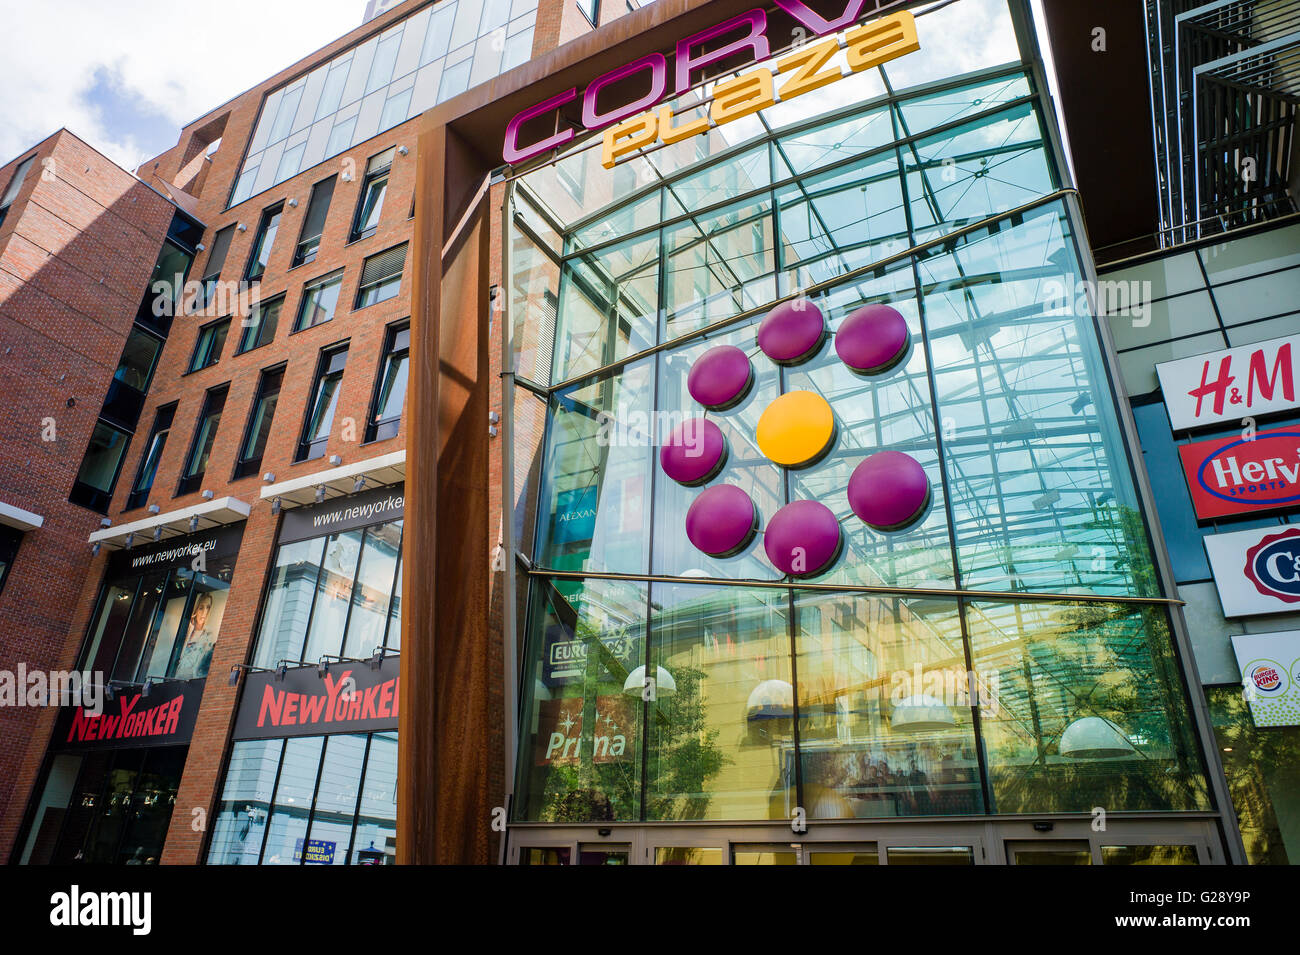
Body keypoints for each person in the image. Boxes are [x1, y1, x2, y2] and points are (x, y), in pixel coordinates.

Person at [174, 592, 218, 679]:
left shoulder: (208, 637)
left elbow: (200, 666)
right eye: (201, 608)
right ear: (195, 610)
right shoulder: (186, 633)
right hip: (176, 677)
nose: (205, 612)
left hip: (192, 680)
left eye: (208, 608)